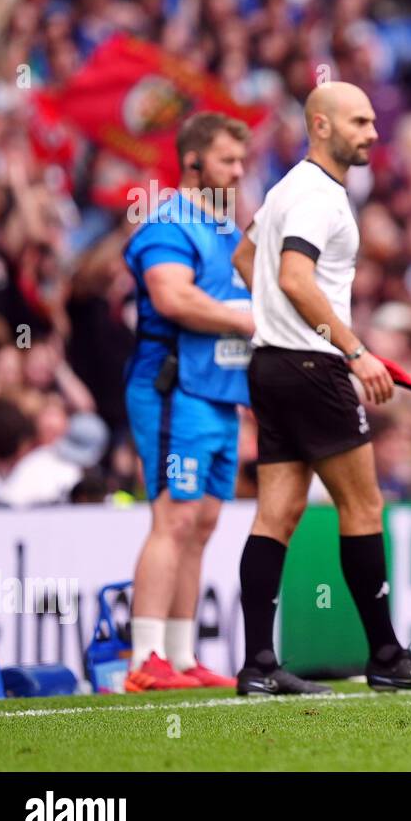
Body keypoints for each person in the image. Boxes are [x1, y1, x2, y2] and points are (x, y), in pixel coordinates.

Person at [230, 81, 411, 695]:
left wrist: (279, 318)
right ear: (323, 126)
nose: (373, 132)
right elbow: (293, 275)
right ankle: (386, 656)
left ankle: (258, 664)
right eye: (360, 122)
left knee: (276, 515)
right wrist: (355, 350)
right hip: (313, 367)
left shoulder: (285, 189)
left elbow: (244, 258)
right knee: (362, 508)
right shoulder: (318, 197)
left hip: (271, 365)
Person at [122, 112, 255, 691]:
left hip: (219, 392)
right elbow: (171, 298)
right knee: (173, 517)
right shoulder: (168, 224)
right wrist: (251, 319)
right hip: (174, 389)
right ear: (194, 161)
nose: (238, 170)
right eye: (228, 160)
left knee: (201, 520)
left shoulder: (225, 229)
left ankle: (180, 656)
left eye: (241, 160)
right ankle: (144, 657)